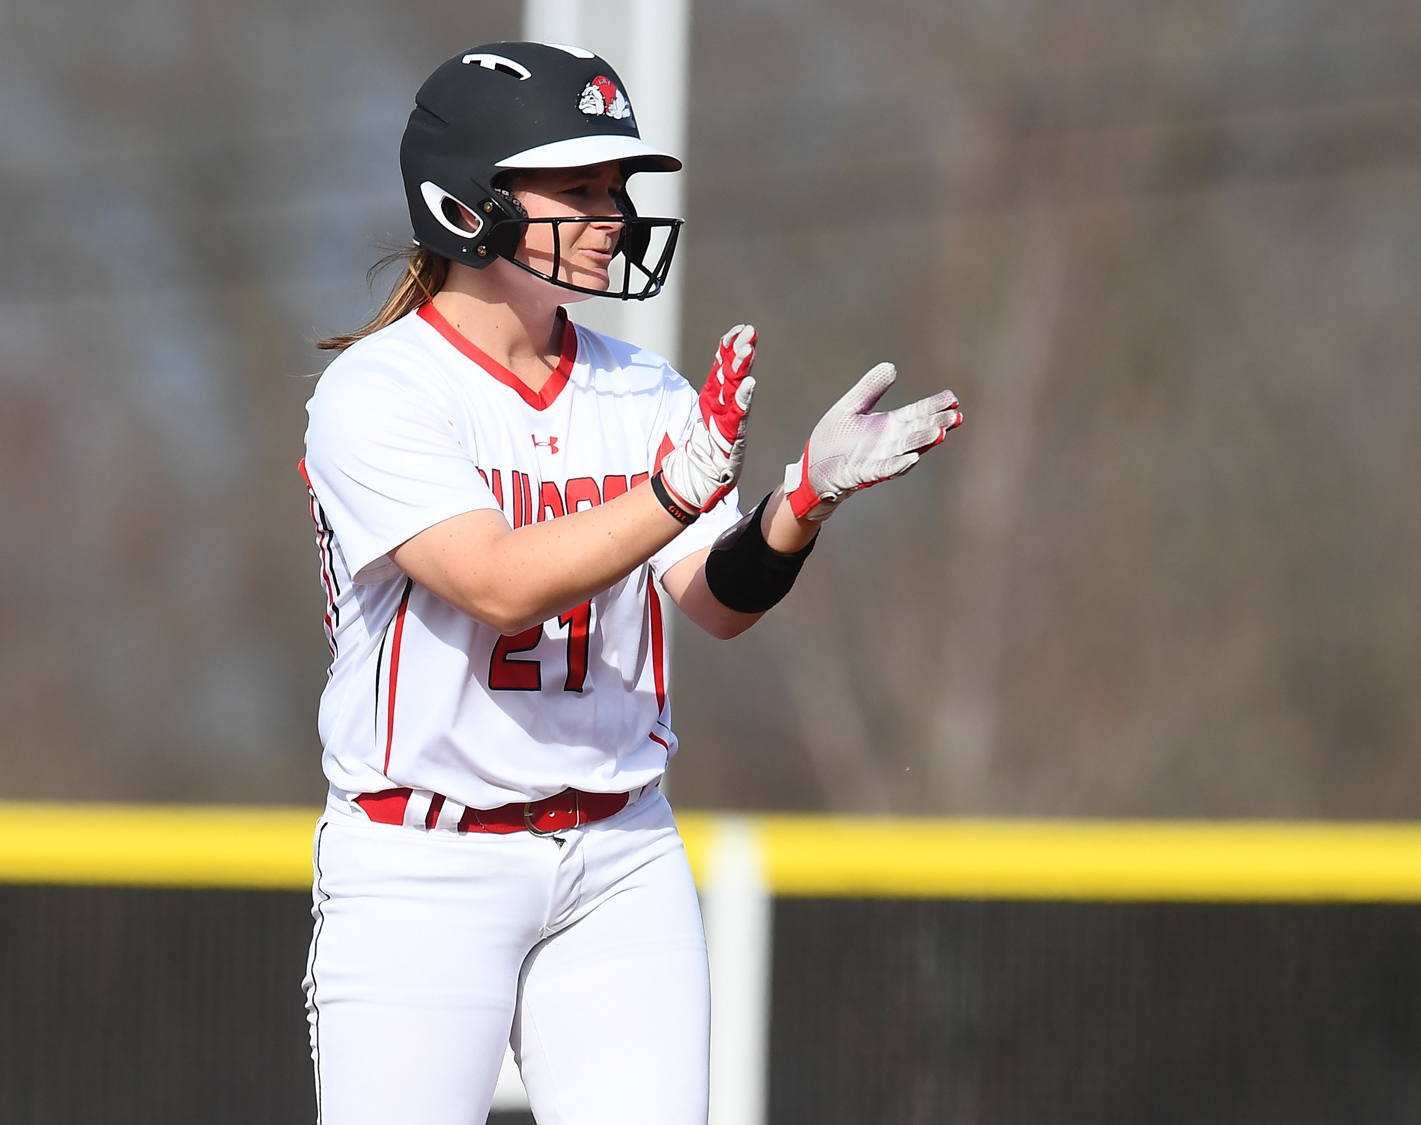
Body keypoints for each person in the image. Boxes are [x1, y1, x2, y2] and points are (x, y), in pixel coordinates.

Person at [298, 41, 960, 1125]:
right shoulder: (379, 392)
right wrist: (669, 489)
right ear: (464, 205)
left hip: (617, 851)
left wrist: (800, 504)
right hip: (423, 861)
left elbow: (712, 602)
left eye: (616, 187)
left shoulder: (639, 388)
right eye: (577, 187)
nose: (610, 213)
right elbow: (495, 583)